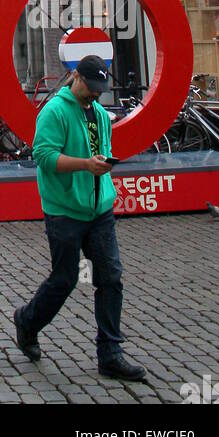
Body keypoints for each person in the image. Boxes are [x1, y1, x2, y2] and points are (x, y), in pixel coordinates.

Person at [13, 55, 146, 382]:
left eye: (101, 90)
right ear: (75, 77)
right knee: (65, 279)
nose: (96, 95)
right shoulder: (53, 112)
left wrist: (99, 165)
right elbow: (43, 157)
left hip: (99, 208)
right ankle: (27, 322)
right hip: (64, 211)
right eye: (91, 87)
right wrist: (86, 165)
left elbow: (100, 150)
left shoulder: (100, 114)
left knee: (110, 277)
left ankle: (110, 353)